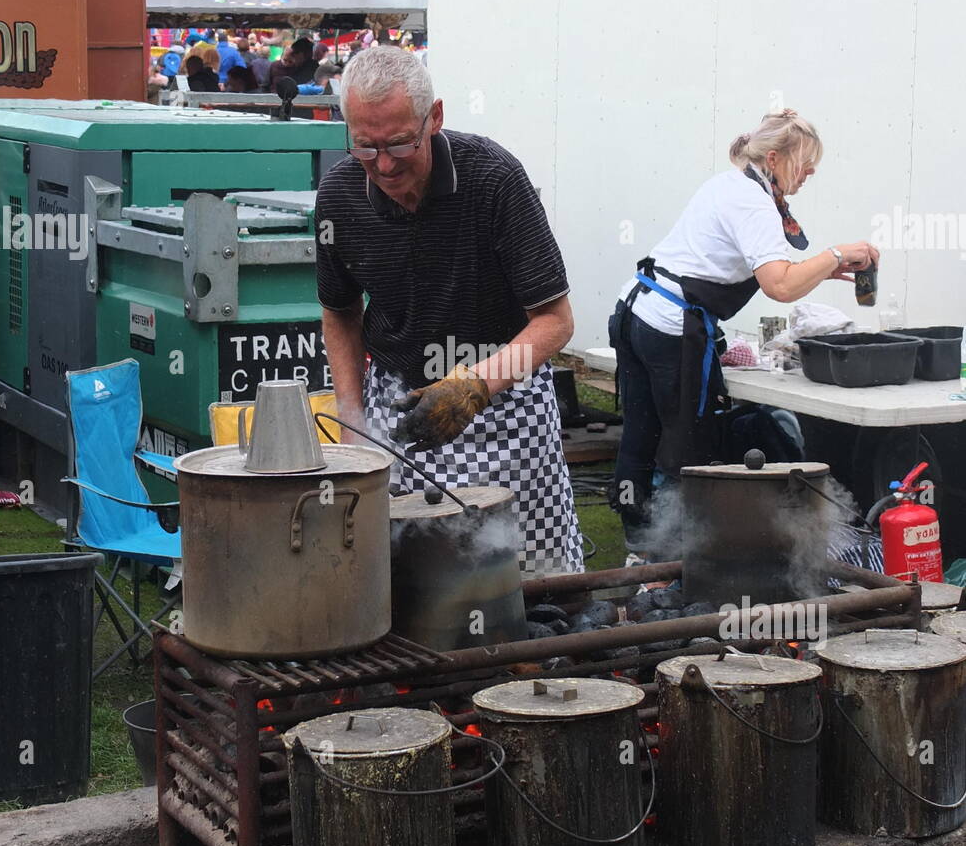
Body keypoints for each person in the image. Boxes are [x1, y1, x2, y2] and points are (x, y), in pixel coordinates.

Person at [316, 48, 583, 575]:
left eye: (399, 144)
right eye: (365, 147)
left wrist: (475, 386)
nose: (384, 165)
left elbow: (556, 321)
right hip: (398, 410)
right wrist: (351, 422)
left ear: (434, 118)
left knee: (534, 580)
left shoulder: (494, 179)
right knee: (415, 581)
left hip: (506, 407)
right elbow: (340, 312)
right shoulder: (338, 197)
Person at [607, 108, 880, 554]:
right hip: (672, 327)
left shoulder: (728, 184)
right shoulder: (753, 201)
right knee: (686, 444)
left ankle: (640, 549)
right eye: (804, 162)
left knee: (642, 433)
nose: (811, 172)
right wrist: (834, 253)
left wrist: (822, 270)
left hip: (637, 310)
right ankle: (674, 557)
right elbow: (780, 285)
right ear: (773, 158)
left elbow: (775, 269)